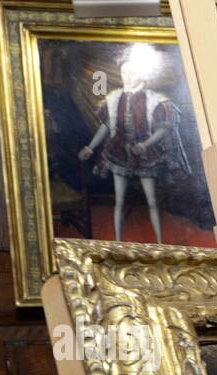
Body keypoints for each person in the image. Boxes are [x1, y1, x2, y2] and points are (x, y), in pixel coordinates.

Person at [78, 46, 190, 243]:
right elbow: (106, 126)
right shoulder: (113, 99)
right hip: (119, 151)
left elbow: (163, 129)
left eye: (132, 73)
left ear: (143, 75)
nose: (127, 77)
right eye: (124, 73)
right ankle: (119, 243)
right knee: (119, 201)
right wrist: (90, 147)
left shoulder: (156, 101)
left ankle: (160, 244)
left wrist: (145, 145)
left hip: (146, 153)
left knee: (152, 201)